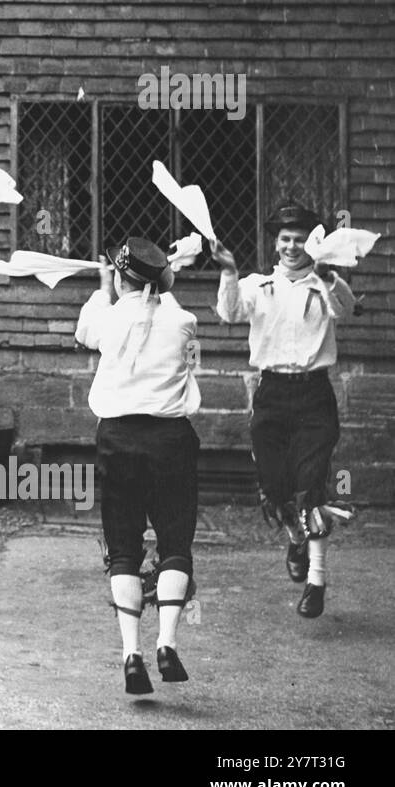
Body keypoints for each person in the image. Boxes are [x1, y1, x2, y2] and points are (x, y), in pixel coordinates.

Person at [212, 204, 356, 619]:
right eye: (285, 239)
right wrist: (228, 270)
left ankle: (317, 579)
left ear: (313, 244)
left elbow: (344, 310)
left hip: (314, 394)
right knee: (275, 487)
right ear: (275, 243)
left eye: (300, 239)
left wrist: (329, 276)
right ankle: (295, 537)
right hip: (272, 393)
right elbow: (229, 311)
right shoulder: (259, 285)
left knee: (312, 485)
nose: (292, 246)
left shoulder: (326, 283)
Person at [76, 238, 201, 696]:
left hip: (118, 441)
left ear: (120, 276)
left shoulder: (105, 317)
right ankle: (167, 642)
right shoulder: (184, 322)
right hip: (171, 440)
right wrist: (163, 279)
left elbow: (85, 332)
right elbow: (185, 348)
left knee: (124, 547)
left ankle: (132, 654)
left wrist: (102, 285)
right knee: (175, 543)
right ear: (160, 280)